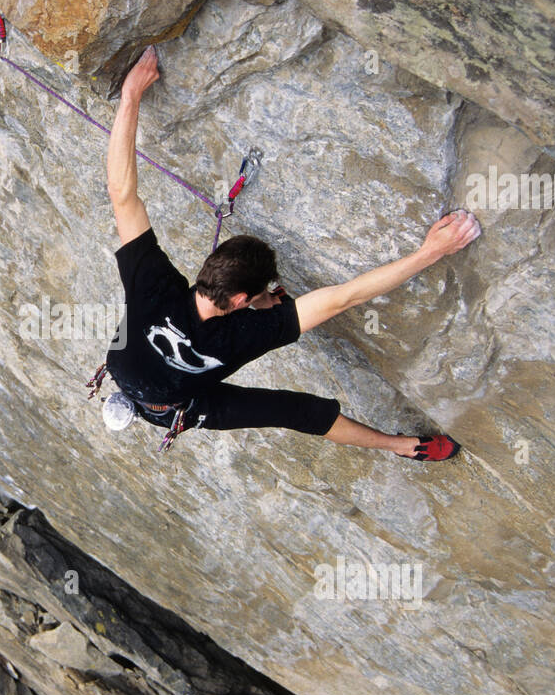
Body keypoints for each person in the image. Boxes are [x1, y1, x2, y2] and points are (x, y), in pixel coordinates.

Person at [99, 45, 479, 461]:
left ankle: (404, 448)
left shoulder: (153, 284)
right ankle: (404, 447)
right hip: (179, 407)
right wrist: (430, 252)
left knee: (296, 413)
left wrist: (132, 92)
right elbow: (345, 296)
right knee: (298, 411)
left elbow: (122, 193)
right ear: (242, 301)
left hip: (127, 368)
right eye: (261, 295)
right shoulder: (245, 335)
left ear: (210, 268)